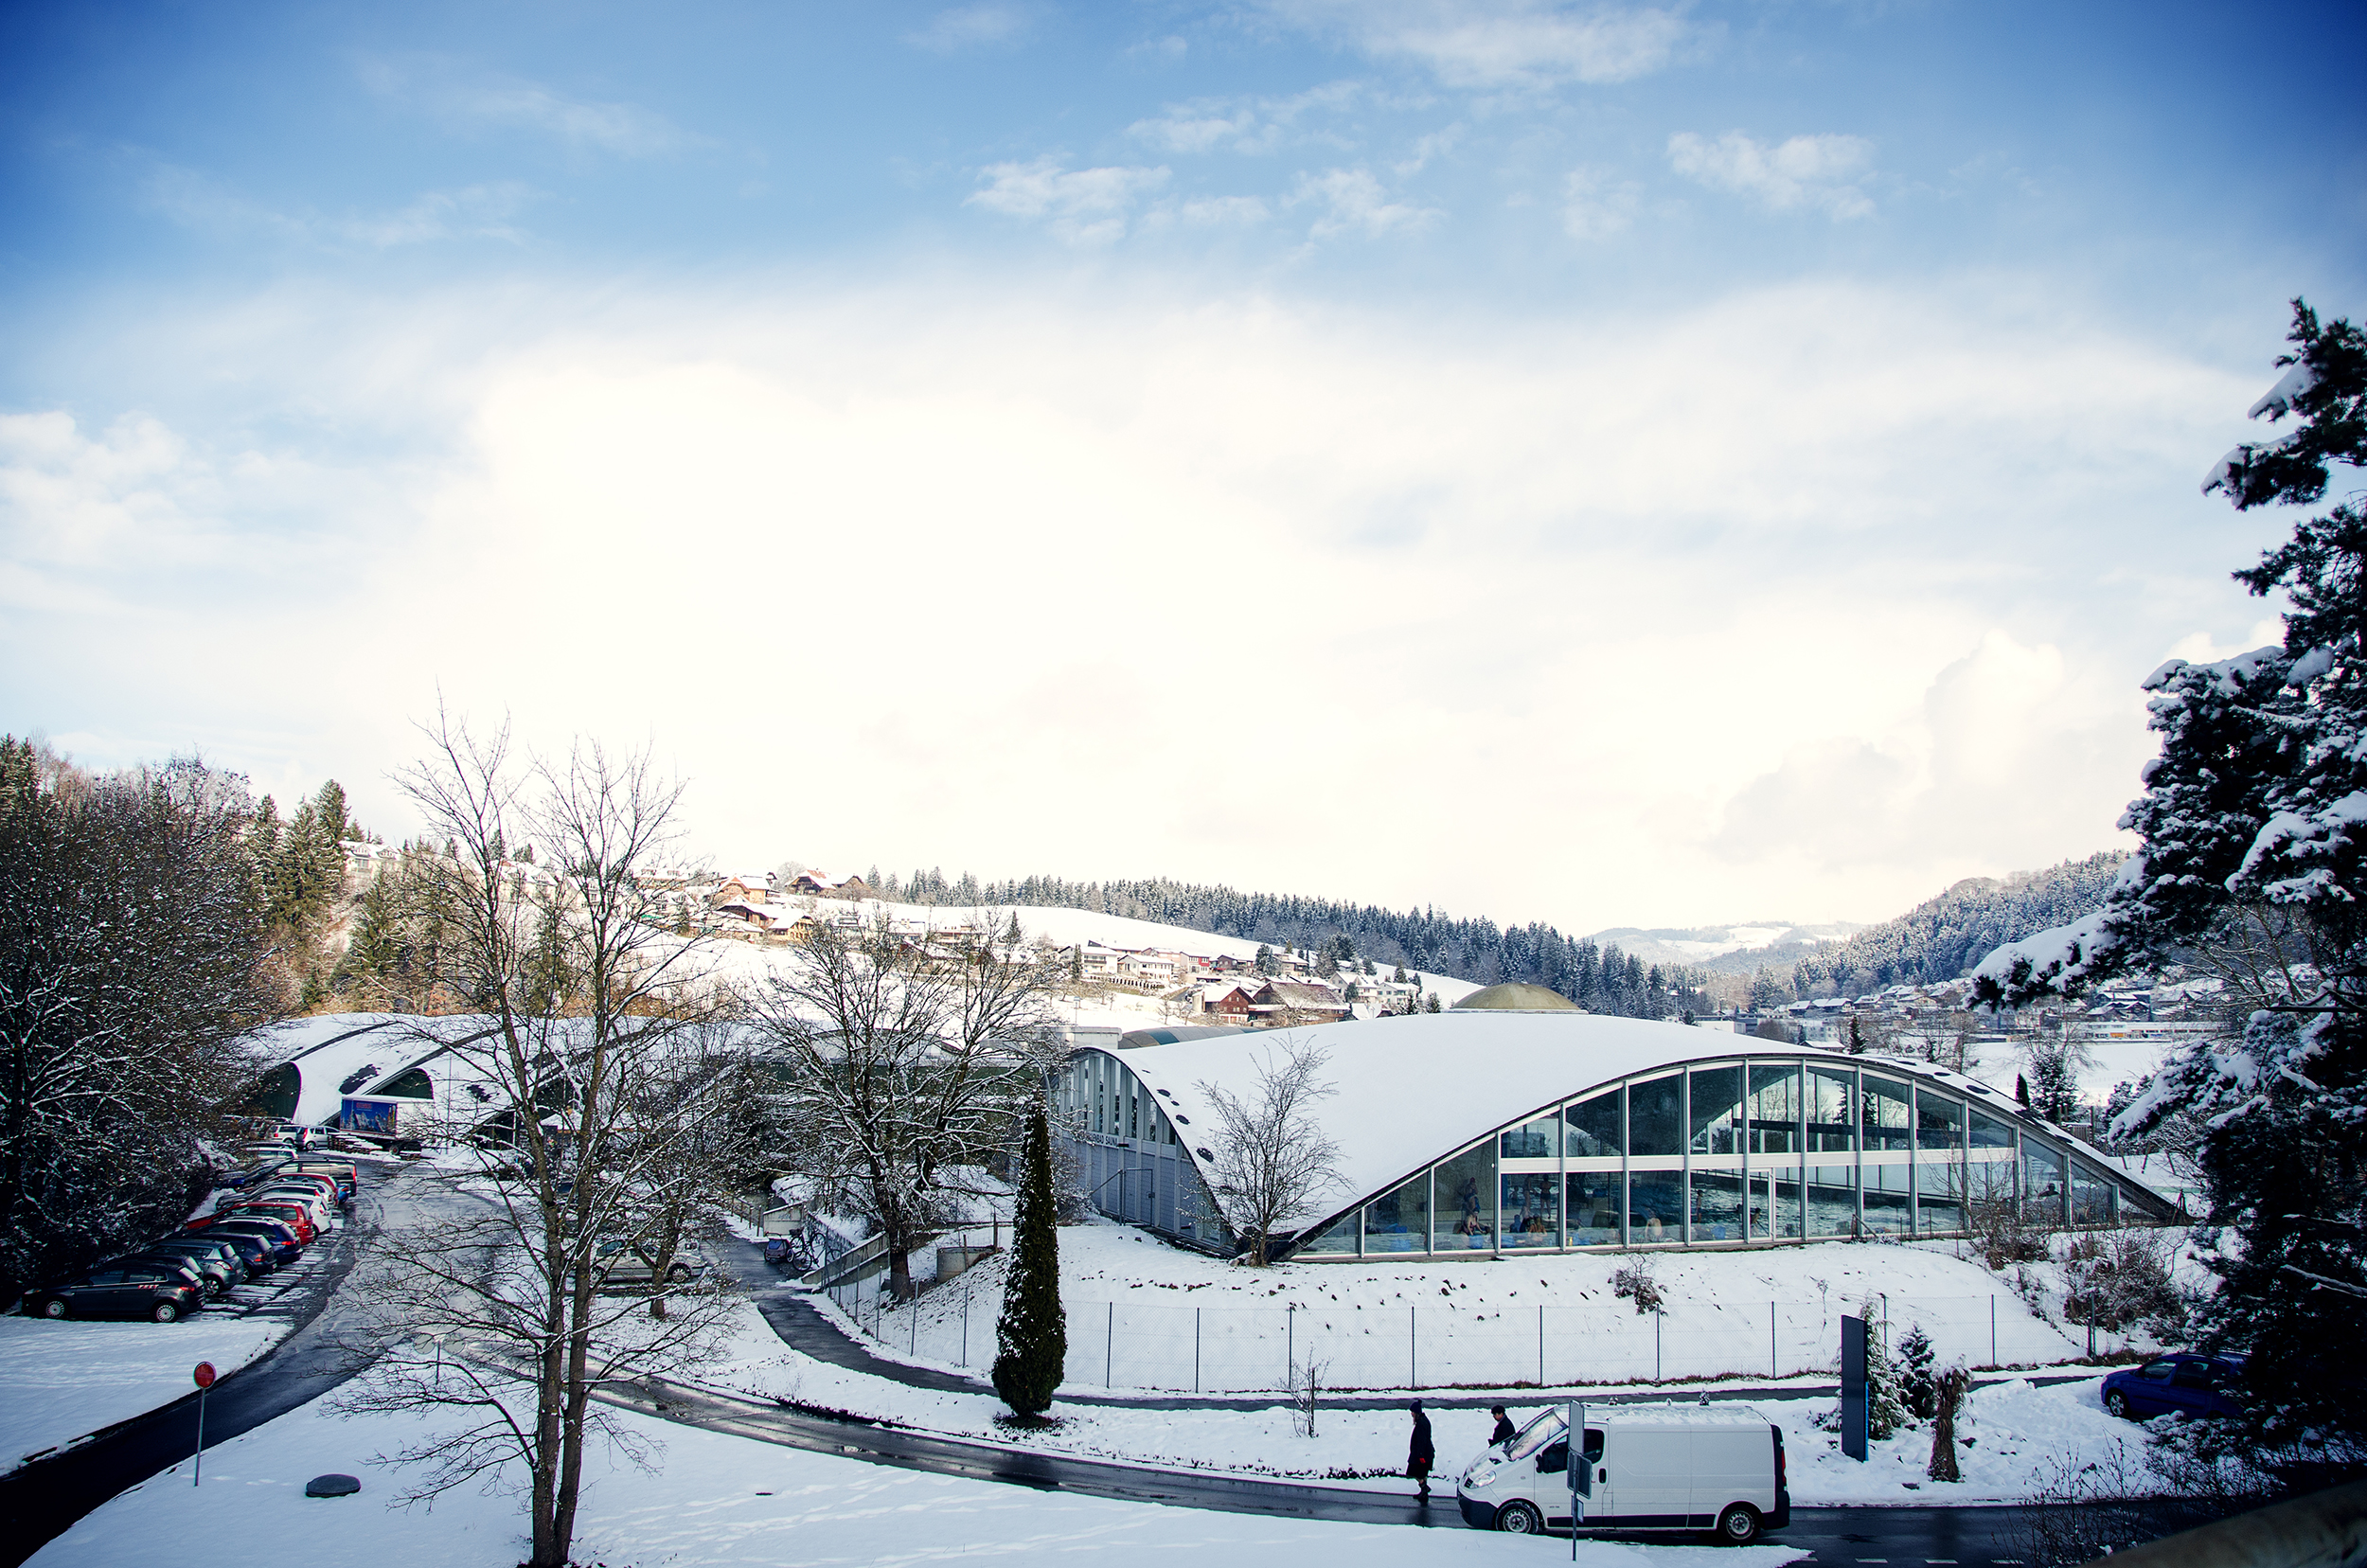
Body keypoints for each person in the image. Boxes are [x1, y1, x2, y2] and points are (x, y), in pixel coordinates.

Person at [1406, 1399, 1435, 1502]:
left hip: (1423, 1454)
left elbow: (1422, 1441)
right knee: (1423, 1473)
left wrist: (1421, 1455)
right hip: (1426, 1453)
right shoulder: (1423, 1421)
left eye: (1412, 1412)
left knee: (1414, 1473)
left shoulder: (1421, 1424)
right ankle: (1423, 1494)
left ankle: (1424, 1488)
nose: (1411, 1414)